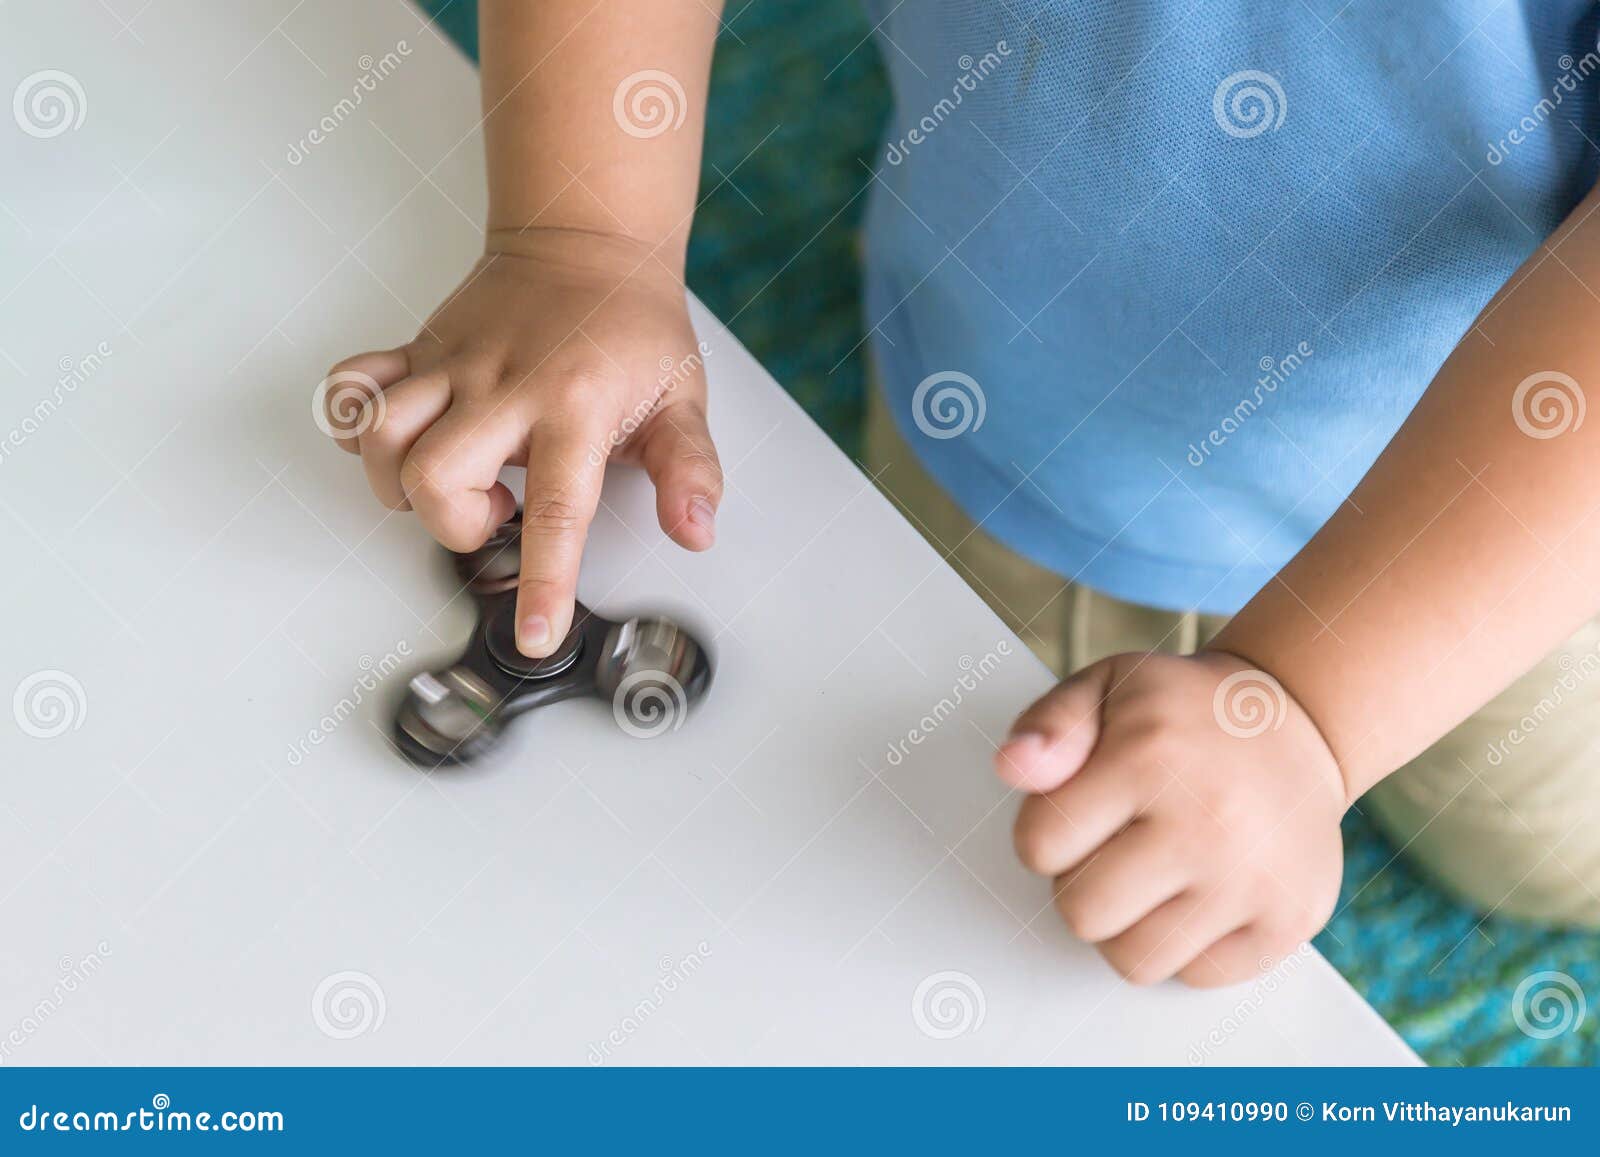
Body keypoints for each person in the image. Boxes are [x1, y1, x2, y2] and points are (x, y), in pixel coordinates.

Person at [322, 1, 1600, 986]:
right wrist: (580, 239)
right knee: (953, 826)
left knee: (1541, 853)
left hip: (1507, 530)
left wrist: (1319, 711)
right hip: (1005, 403)